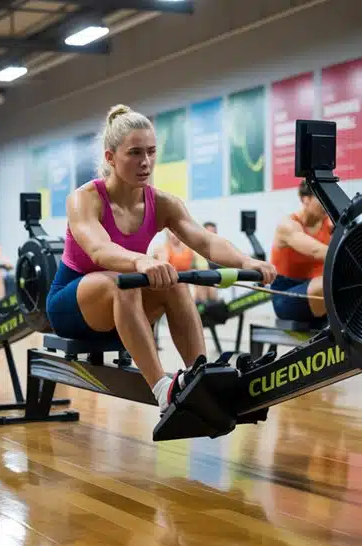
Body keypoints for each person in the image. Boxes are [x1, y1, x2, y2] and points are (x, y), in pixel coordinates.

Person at [46, 105, 277, 413]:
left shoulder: (164, 203)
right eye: (135, 153)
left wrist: (246, 262)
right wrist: (140, 262)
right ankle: (162, 390)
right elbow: (99, 249)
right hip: (71, 307)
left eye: (151, 152)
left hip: (123, 305)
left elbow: (205, 241)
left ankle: (199, 376)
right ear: (110, 157)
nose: (146, 162)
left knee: (176, 283)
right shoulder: (85, 199)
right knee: (123, 284)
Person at [269, 180, 333, 322]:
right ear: (305, 199)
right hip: (286, 295)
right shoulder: (287, 225)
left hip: (318, 292)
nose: (327, 204)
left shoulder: (330, 225)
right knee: (331, 282)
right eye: (321, 199)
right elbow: (316, 251)